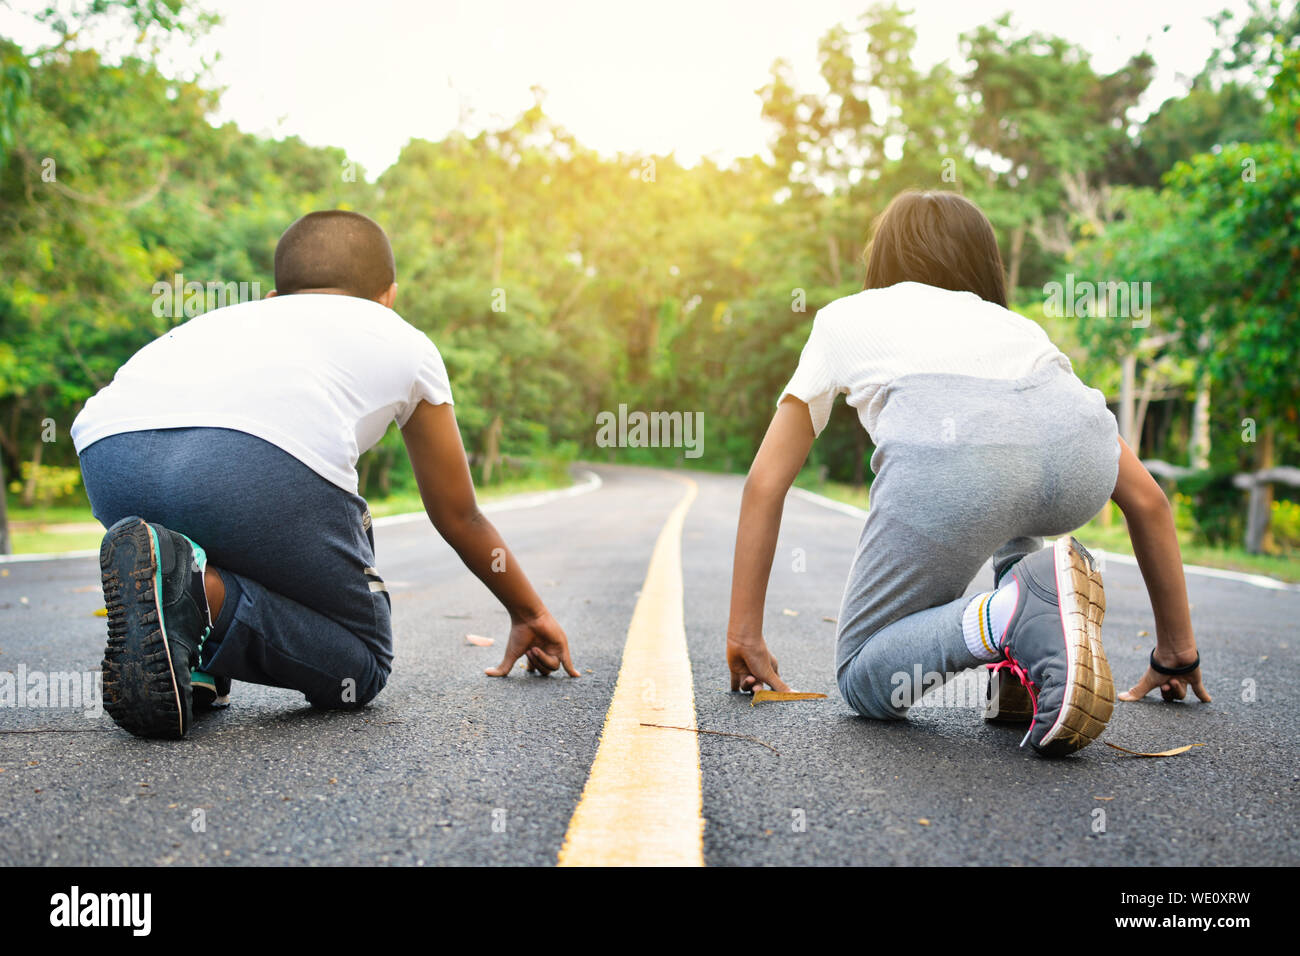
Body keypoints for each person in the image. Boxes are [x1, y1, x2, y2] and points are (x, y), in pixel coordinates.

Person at [724, 190, 1210, 757]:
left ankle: (1006, 617)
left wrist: (744, 634)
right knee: (1010, 481)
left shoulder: (846, 319)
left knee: (860, 676)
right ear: (983, 264)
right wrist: (1177, 652)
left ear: (883, 259)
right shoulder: (1017, 328)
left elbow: (766, 481)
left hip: (961, 461)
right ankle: (1020, 672)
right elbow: (1148, 502)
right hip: (1077, 455)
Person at [72, 210, 577, 740]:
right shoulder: (400, 336)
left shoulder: (218, 323)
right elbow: (457, 512)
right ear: (388, 297)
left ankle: (191, 651)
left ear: (273, 298)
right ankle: (203, 596)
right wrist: (528, 611)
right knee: (361, 667)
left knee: (216, 527)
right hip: (253, 469)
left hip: (111, 459)